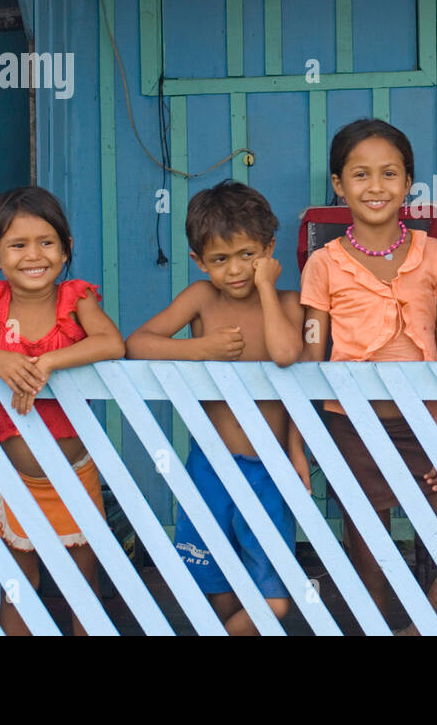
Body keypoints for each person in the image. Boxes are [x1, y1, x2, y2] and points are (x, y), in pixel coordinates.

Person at [0, 186, 126, 635]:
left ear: (66, 249)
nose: (33, 255)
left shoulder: (76, 299)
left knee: (81, 581)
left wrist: (49, 361)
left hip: (74, 471)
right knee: (18, 583)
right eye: (18, 245)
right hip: (13, 476)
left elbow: (112, 343)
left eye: (46, 242)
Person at [300, 119, 437, 631]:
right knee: (368, 550)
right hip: (353, 426)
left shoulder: (434, 254)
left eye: (389, 173)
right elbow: (312, 353)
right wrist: (304, 437)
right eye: (361, 175)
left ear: (408, 181)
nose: (376, 187)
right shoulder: (324, 265)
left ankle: (418, 627)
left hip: (427, 426)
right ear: (338, 184)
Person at [126, 180, 308, 635]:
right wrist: (202, 348)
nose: (235, 270)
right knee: (217, 585)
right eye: (220, 260)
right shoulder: (201, 299)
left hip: (269, 469)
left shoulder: (288, 302)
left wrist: (267, 288)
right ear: (199, 262)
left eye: (248, 255)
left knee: (274, 601)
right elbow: (137, 344)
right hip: (209, 464)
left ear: (269, 249)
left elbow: (286, 354)